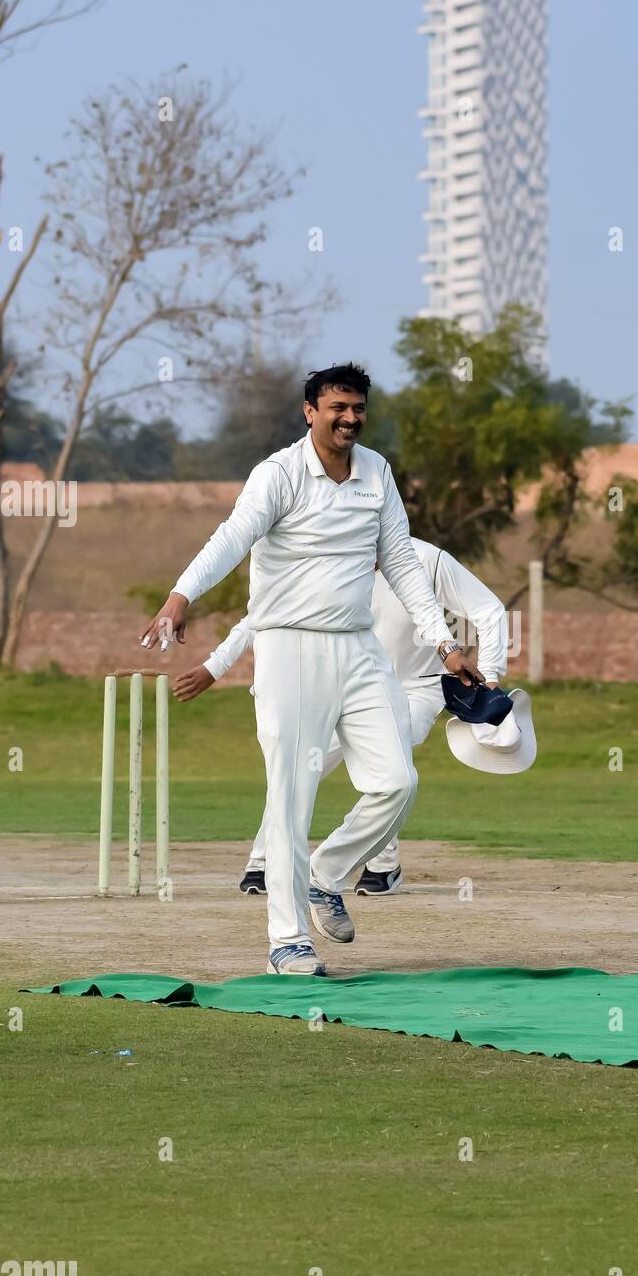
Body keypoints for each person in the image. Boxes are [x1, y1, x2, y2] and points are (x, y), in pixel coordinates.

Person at [140, 363, 481, 977]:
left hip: (359, 648)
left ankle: (325, 876)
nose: (349, 418)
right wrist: (180, 594)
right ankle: (287, 942)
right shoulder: (277, 474)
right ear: (309, 411)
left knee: (397, 782)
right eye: (337, 408)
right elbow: (232, 536)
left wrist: (443, 642)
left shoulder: (376, 472)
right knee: (292, 796)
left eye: (357, 409)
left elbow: (401, 562)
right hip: (288, 649)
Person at [173, 536, 510, 902]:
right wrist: (214, 666)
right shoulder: (332, 555)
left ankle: (381, 863)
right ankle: (266, 860)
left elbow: (490, 610)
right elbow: (263, 614)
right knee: (301, 762)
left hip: (417, 689)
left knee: (387, 752)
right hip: (349, 684)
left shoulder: (427, 560)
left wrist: (490, 677)